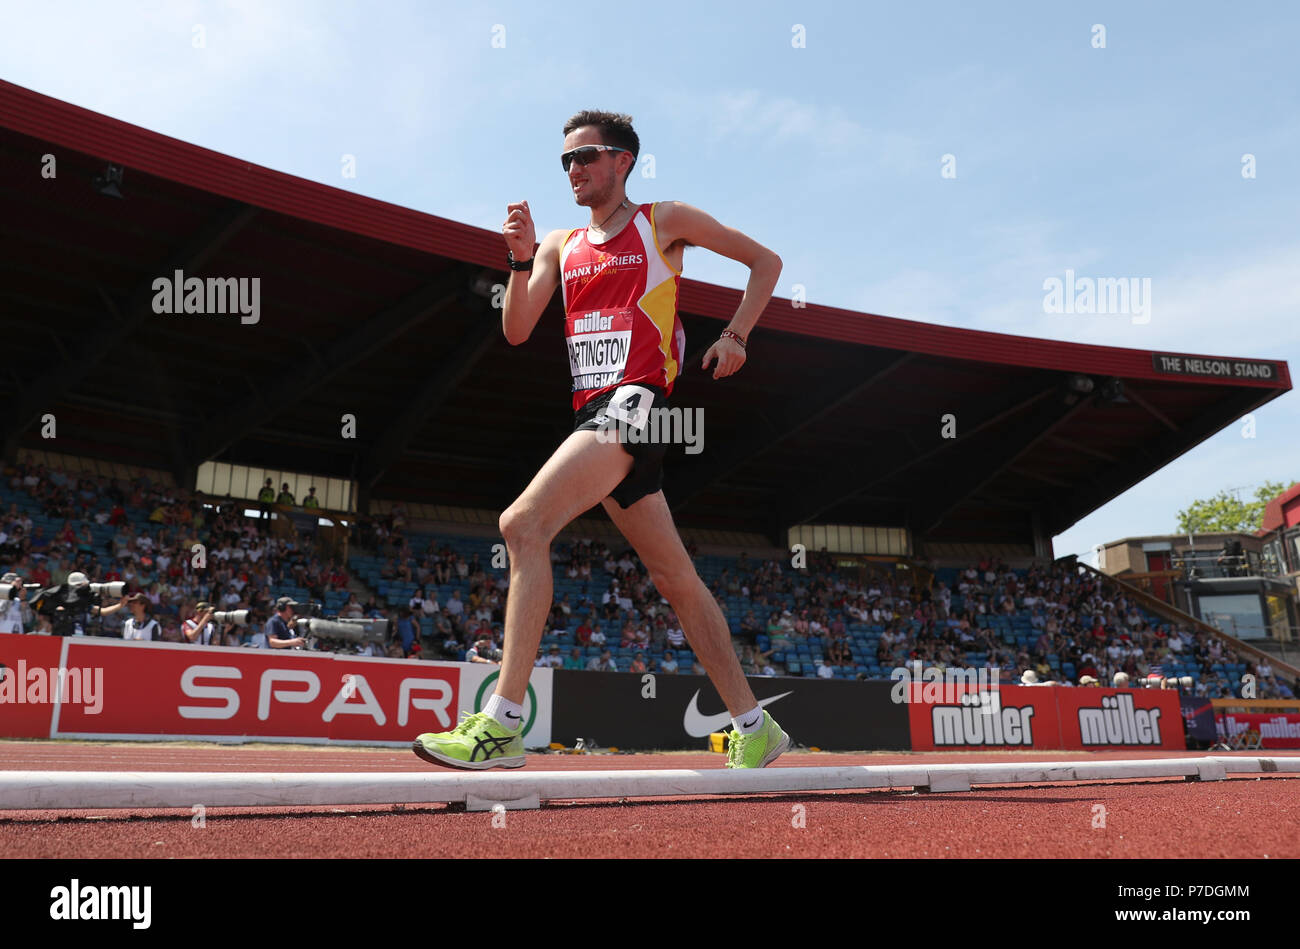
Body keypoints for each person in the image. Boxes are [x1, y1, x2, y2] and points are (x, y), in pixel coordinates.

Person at [413, 109, 786, 772]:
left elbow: (765, 261)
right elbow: (518, 327)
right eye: (565, 161)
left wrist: (735, 335)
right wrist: (521, 258)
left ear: (624, 161)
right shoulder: (560, 243)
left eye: (586, 157)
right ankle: (755, 725)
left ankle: (501, 724)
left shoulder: (663, 222)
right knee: (675, 578)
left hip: (635, 405)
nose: (574, 171)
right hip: (595, 414)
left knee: (523, 523)